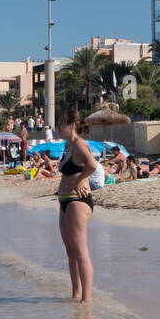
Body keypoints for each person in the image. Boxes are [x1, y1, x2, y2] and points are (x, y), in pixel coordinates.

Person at [55, 109, 99, 303]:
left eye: (61, 123)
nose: (58, 127)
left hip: (77, 201)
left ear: (72, 125)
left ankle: (86, 300)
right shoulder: (67, 145)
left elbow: (92, 165)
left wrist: (79, 181)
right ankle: (75, 295)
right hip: (64, 201)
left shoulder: (80, 144)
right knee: (70, 251)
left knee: (81, 251)